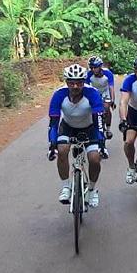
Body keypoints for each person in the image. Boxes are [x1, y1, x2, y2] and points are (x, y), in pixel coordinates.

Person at [47, 64, 105, 208]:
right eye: (71, 83)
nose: (75, 86)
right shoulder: (59, 95)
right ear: (66, 82)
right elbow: (53, 123)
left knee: (94, 159)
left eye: (79, 82)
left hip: (90, 128)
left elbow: (99, 121)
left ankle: (92, 190)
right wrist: (52, 144)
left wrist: (101, 144)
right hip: (68, 127)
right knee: (62, 151)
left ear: (84, 82)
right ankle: (66, 187)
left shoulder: (92, 93)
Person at [85, 56, 115, 159]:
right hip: (94, 93)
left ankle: (108, 129)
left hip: (105, 93)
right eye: (91, 67)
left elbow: (111, 87)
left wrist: (112, 100)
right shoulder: (89, 75)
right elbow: (85, 88)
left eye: (95, 67)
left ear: (100, 67)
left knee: (106, 109)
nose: (93, 70)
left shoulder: (108, 74)